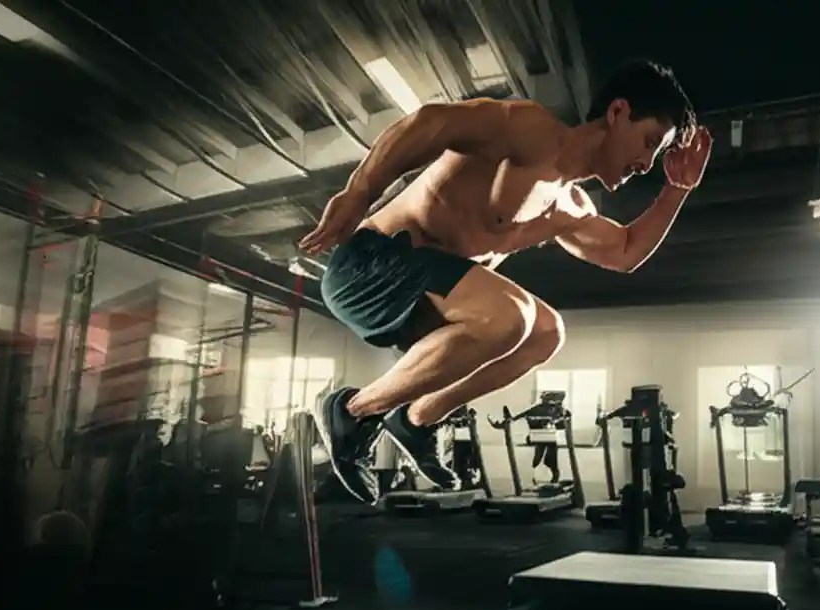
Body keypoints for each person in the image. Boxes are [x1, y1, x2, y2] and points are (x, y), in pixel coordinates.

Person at [299, 60, 712, 503]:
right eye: (649, 142)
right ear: (617, 113)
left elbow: (625, 251)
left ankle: (418, 419)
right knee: (511, 317)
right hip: (367, 266)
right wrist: (360, 191)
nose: (646, 164)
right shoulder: (531, 131)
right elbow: (432, 122)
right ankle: (351, 410)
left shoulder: (568, 207)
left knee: (548, 333)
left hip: (419, 305)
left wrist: (677, 190)